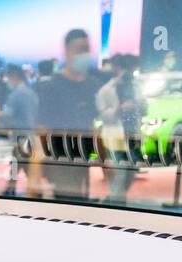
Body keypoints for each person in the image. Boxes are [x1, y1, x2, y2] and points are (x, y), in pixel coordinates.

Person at [36, 28, 104, 198]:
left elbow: (93, 123)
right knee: (67, 203)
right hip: (60, 161)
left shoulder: (92, 85)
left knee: (81, 201)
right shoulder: (53, 87)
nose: (84, 55)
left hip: (83, 157)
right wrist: (34, 176)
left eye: (86, 49)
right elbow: (41, 131)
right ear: (66, 52)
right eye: (79, 50)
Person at [96, 54, 142, 201]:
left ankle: (112, 201)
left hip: (132, 134)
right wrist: (119, 108)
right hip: (114, 137)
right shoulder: (106, 89)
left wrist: (137, 105)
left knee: (131, 171)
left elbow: (145, 108)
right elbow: (103, 116)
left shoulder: (136, 87)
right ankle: (117, 205)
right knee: (118, 174)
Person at [0, 63, 39, 194]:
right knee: (18, 162)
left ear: (13, 77)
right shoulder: (31, 93)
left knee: (22, 163)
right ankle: (11, 187)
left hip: (20, 134)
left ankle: (18, 188)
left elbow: (8, 116)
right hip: (29, 133)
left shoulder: (16, 95)